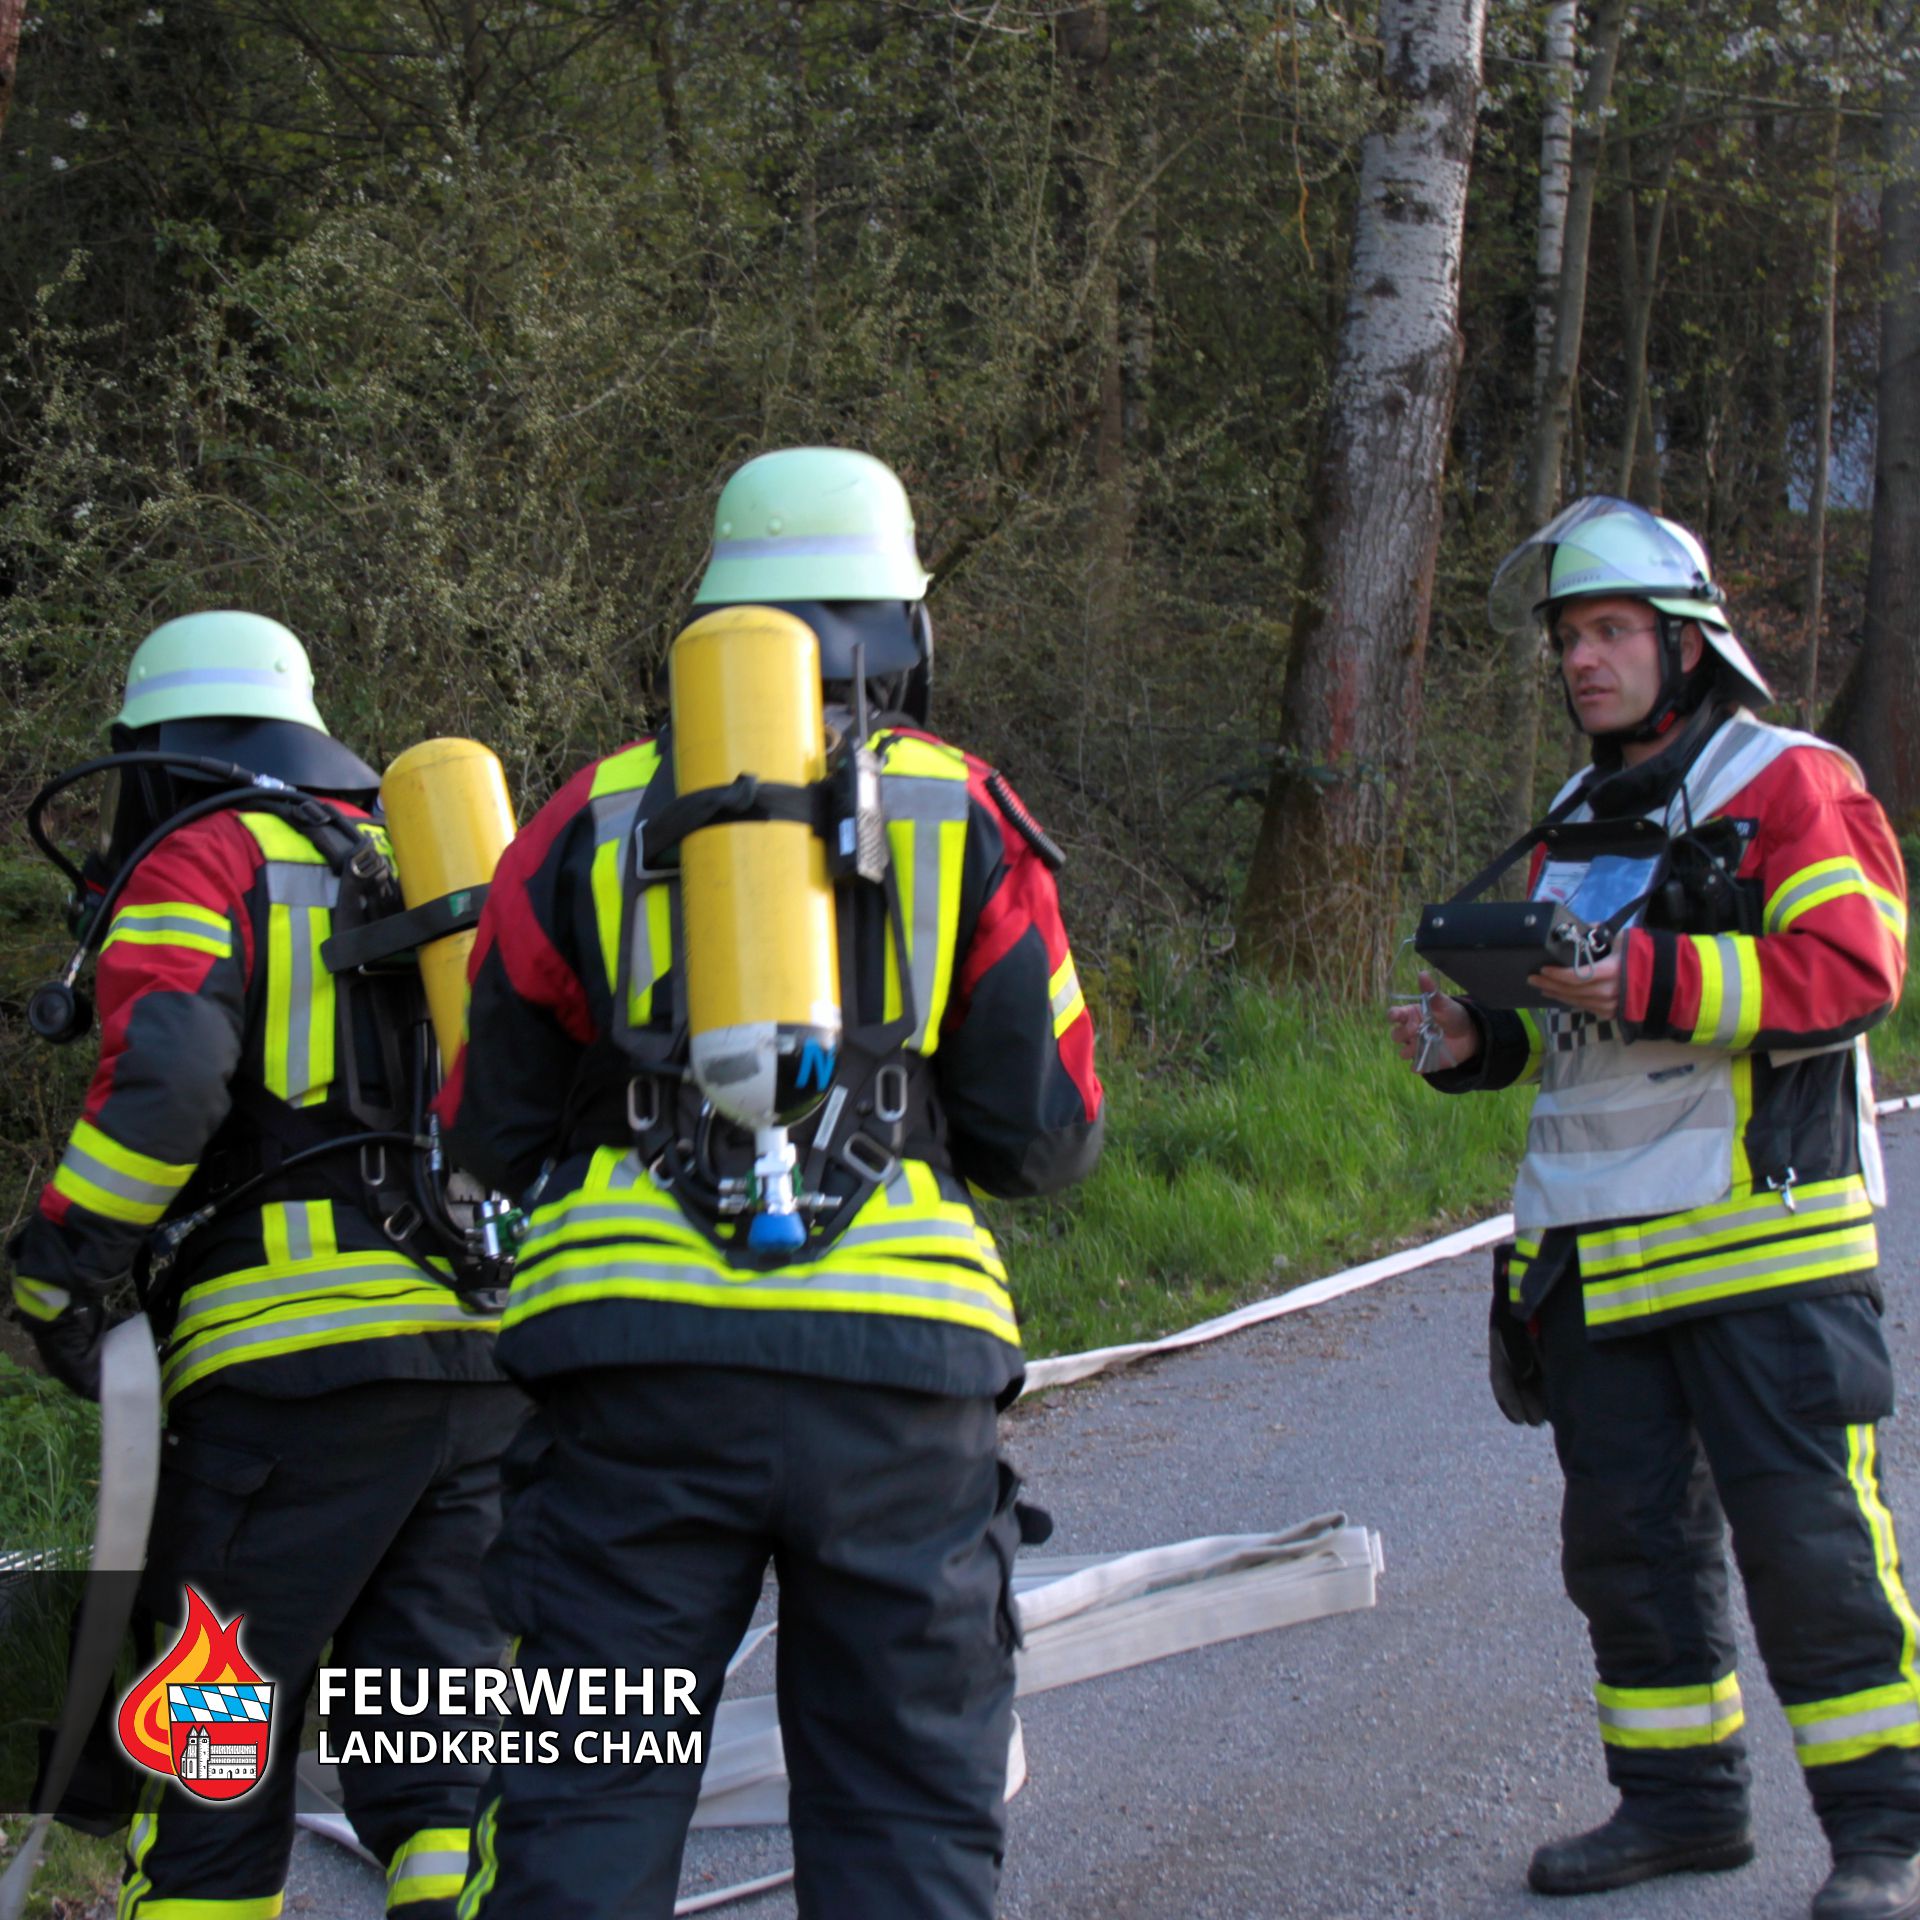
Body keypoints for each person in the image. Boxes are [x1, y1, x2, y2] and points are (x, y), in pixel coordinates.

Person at [440, 445, 1105, 1919]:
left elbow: (481, 1125)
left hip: (628, 1381)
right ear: (903, 625)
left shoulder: (583, 817)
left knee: (583, 1815)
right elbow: (1049, 1136)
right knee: (903, 1817)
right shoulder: (966, 814)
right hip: (900, 1389)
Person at [1391, 499, 1918, 1920]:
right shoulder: (1577, 817)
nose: (1581, 659)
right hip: (1598, 1264)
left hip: (1768, 1249)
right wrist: (1469, 1041)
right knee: (1626, 1554)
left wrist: (1647, 979)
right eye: (1568, 637)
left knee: (1809, 1547)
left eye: (1612, 630)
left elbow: (1856, 971)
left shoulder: (1791, 781)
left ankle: (1881, 1832)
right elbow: (1566, 1025)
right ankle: (1681, 1808)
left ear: (1690, 648)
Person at [8, 611, 521, 1920]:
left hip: (288, 1392)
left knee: (212, 1756)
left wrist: (62, 1263)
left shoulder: (204, 854)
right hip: (477, 1371)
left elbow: (169, 1077)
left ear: (161, 757)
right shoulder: (403, 859)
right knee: (440, 1758)